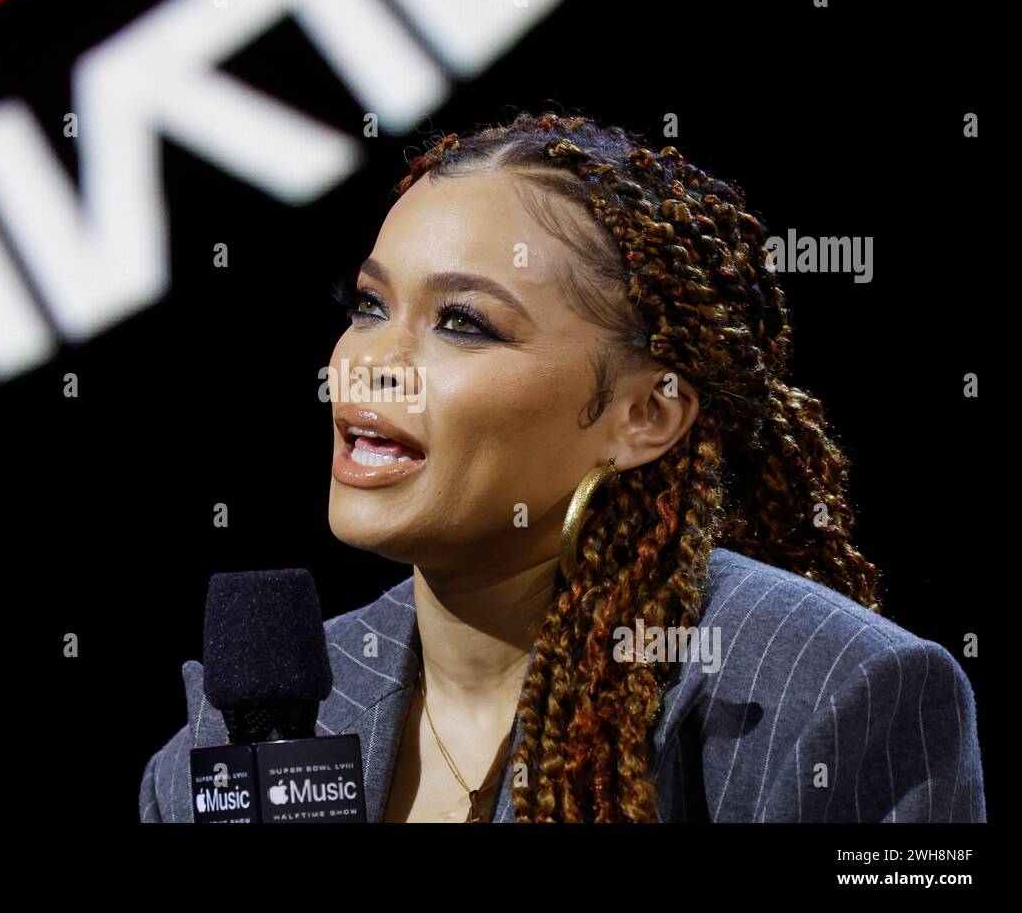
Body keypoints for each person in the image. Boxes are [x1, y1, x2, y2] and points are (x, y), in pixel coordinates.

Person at [139, 112, 985, 822]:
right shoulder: (219, 748)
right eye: (369, 305)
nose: (371, 364)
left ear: (643, 415)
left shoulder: (830, 696)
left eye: (462, 321)